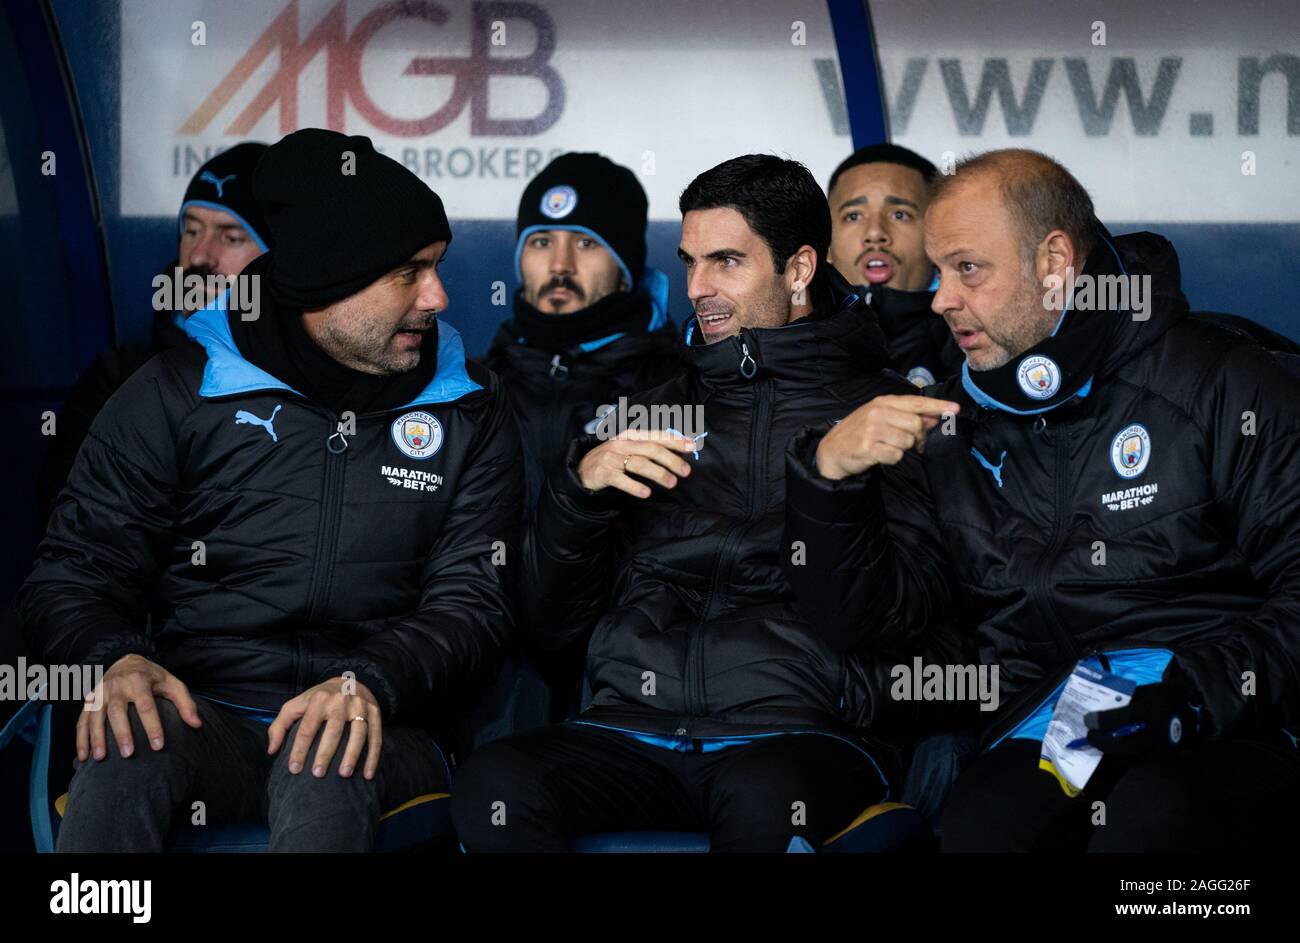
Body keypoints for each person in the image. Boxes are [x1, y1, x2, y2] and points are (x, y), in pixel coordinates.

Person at [18, 128, 523, 852]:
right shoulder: (177, 390)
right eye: (409, 272)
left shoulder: (470, 408)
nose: (439, 296)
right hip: (204, 713)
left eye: (435, 267)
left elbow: (475, 603)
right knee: (128, 743)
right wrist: (114, 659)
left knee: (324, 757)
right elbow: (73, 569)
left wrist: (371, 681)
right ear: (325, 282)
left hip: (383, 721)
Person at [786, 148, 1300, 852]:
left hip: (1235, 714)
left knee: (1150, 826)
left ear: (1055, 261)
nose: (940, 298)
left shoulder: (1223, 382)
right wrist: (830, 482)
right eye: (938, 272)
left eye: (967, 269)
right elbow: (871, 623)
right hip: (1046, 720)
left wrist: (1193, 694)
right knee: (980, 831)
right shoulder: (944, 421)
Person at [451, 154, 959, 853]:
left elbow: (887, 620)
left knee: (765, 795)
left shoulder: (883, 412)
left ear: (800, 268)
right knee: (497, 782)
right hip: (632, 725)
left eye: (726, 261)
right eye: (690, 261)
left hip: (798, 729)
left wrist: (830, 483)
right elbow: (550, 632)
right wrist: (578, 495)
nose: (698, 288)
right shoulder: (651, 405)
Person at [36, 143, 271, 524]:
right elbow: (69, 514)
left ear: (277, 255)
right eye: (191, 231)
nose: (200, 257)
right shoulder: (119, 377)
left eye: (231, 237)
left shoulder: (310, 381)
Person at [484, 152, 679, 508]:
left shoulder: (678, 387)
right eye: (541, 242)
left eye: (586, 243)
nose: (560, 266)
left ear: (625, 267)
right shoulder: (475, 389)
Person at [826, 143, 960, 387]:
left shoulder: (976, 344)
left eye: (900, 214)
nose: (875, 233)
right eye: (853, 216)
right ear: (825, 244)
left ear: (938, 237)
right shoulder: (786, 346)